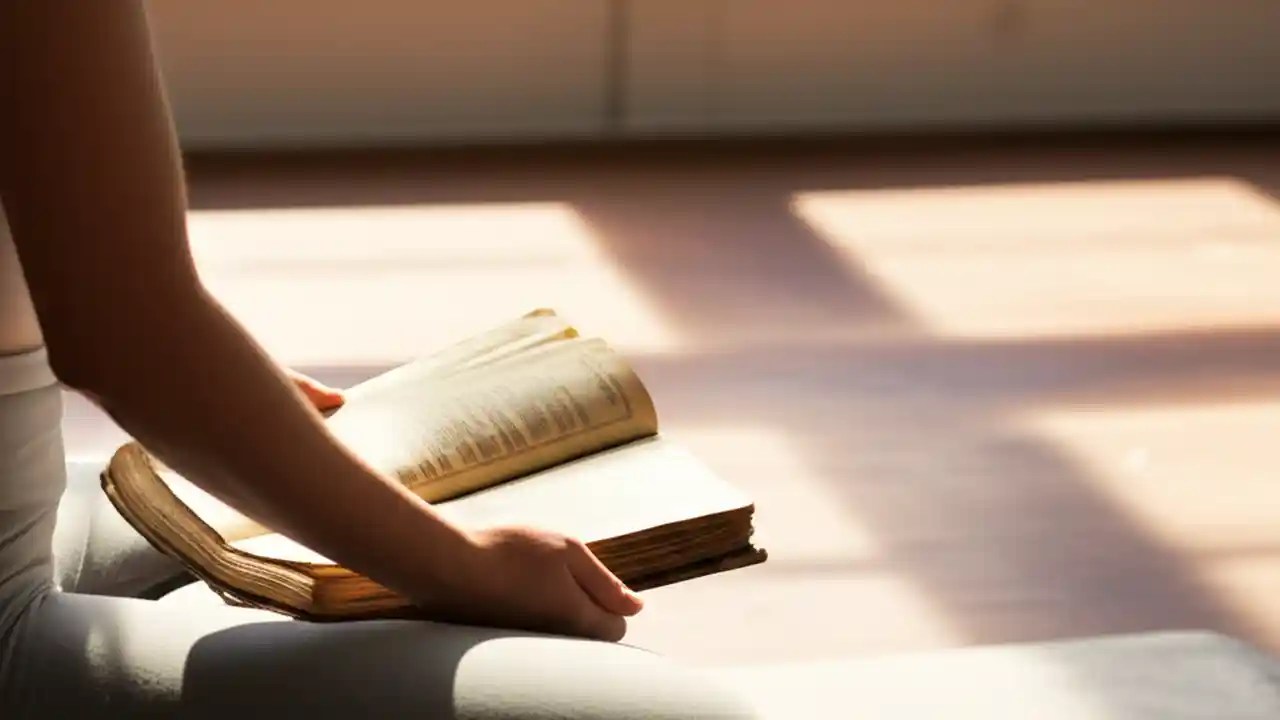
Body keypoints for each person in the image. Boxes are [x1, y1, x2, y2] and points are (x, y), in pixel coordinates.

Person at [0, 3, 756, 717]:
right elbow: (125, 341)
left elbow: (107, 303)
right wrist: (467, 568)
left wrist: (212, 381)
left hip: (42, 497)